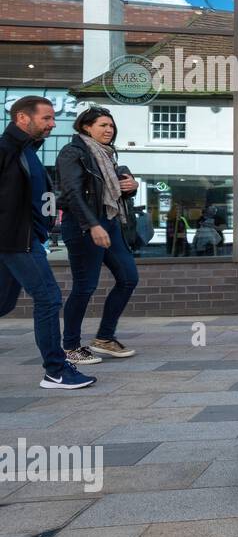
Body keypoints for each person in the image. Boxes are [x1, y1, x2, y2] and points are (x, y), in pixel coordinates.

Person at [0, 96, 95, 389]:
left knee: (2, 304)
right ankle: (56, 370)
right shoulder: (5, 150)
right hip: (16, 242)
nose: (53, 124)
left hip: (23, 240)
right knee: (49, 298)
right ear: (22, 119)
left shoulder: (26, 151)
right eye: (47, 118)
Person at [57, 106, 140, 364]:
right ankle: (70, 347)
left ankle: (104, 339)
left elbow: (111, 190)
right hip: (84, 226)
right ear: (86, 127)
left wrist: (130, 187)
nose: (109, 130)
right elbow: (71, 193)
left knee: (128, 278)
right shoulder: (73, 153)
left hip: (110, 222)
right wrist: (92, 225)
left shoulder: (107, 155)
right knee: (85, 286)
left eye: (111, 126)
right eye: (103, 125)